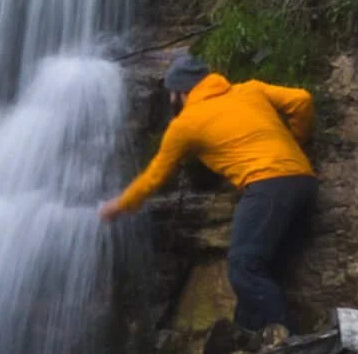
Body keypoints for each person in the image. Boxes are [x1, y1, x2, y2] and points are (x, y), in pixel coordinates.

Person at [98, 53, 318, 336]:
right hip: (304, 183)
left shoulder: (187, 124)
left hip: (267, 188)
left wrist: (118, 206)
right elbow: (302, 99)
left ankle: (287, 346)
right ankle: (248, 345)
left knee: (243, 267)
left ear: (179, 92)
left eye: (171, 94)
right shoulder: (249, 90)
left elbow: (154, 177)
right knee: (266, 270)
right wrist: (296, 142)